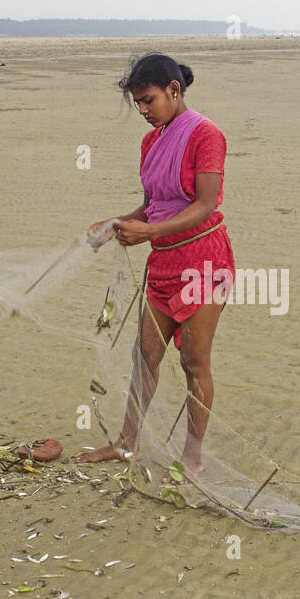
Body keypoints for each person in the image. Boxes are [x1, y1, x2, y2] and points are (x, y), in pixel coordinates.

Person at [79, 53, 233, 474]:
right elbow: (154, 207)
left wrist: (148, 233)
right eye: (138, 104)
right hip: (164, 262)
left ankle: (192, 458)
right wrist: (118, 223)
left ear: (174, 90)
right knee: (145, 356)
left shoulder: (207, 135)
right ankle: (128, 443)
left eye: (148, 100)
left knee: (194, 363)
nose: (144, 111)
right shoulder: (150, 141)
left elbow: (203, 206)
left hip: (203, 260)